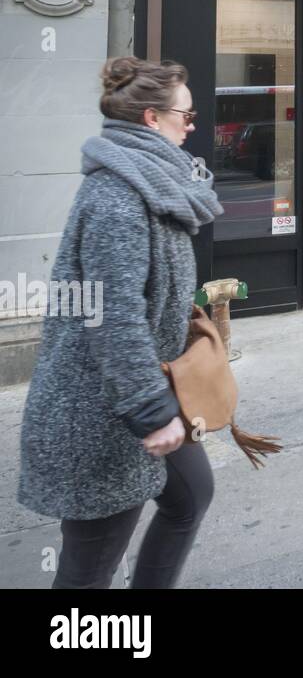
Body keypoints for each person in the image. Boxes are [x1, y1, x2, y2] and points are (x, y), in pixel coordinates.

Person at [18, 57, 223, 588]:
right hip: (101, 416)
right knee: (88, 573)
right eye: (187, 112)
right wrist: (153, 412)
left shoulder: (152, 184)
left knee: (191, 496)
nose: (193, 123)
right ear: (153, 119)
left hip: (137, 394)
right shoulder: (117, 196)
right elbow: (112, 314)